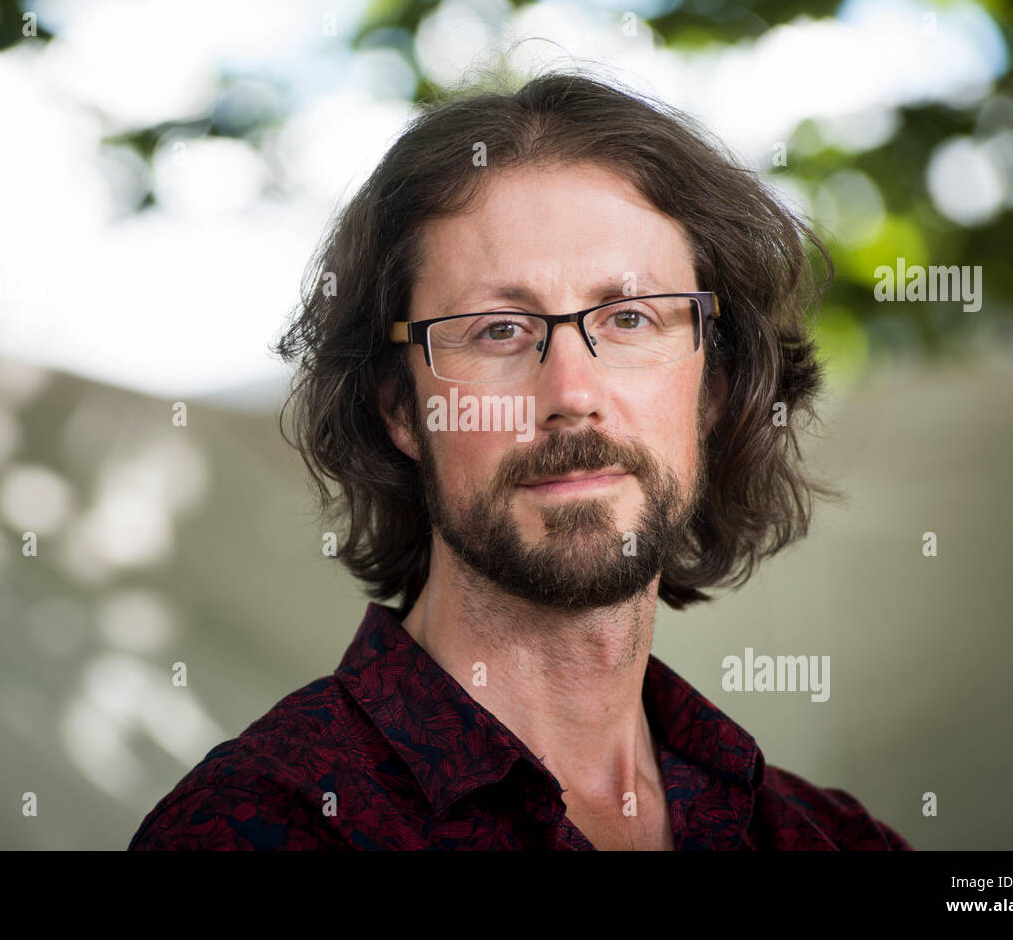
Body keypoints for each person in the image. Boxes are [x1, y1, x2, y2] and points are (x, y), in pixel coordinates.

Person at [129, 70, 912, 851]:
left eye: (632, 316)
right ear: (401, 408)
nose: (571, 392)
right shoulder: (251, 829)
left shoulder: (830, 838)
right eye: (498, 330)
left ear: (715, 388)